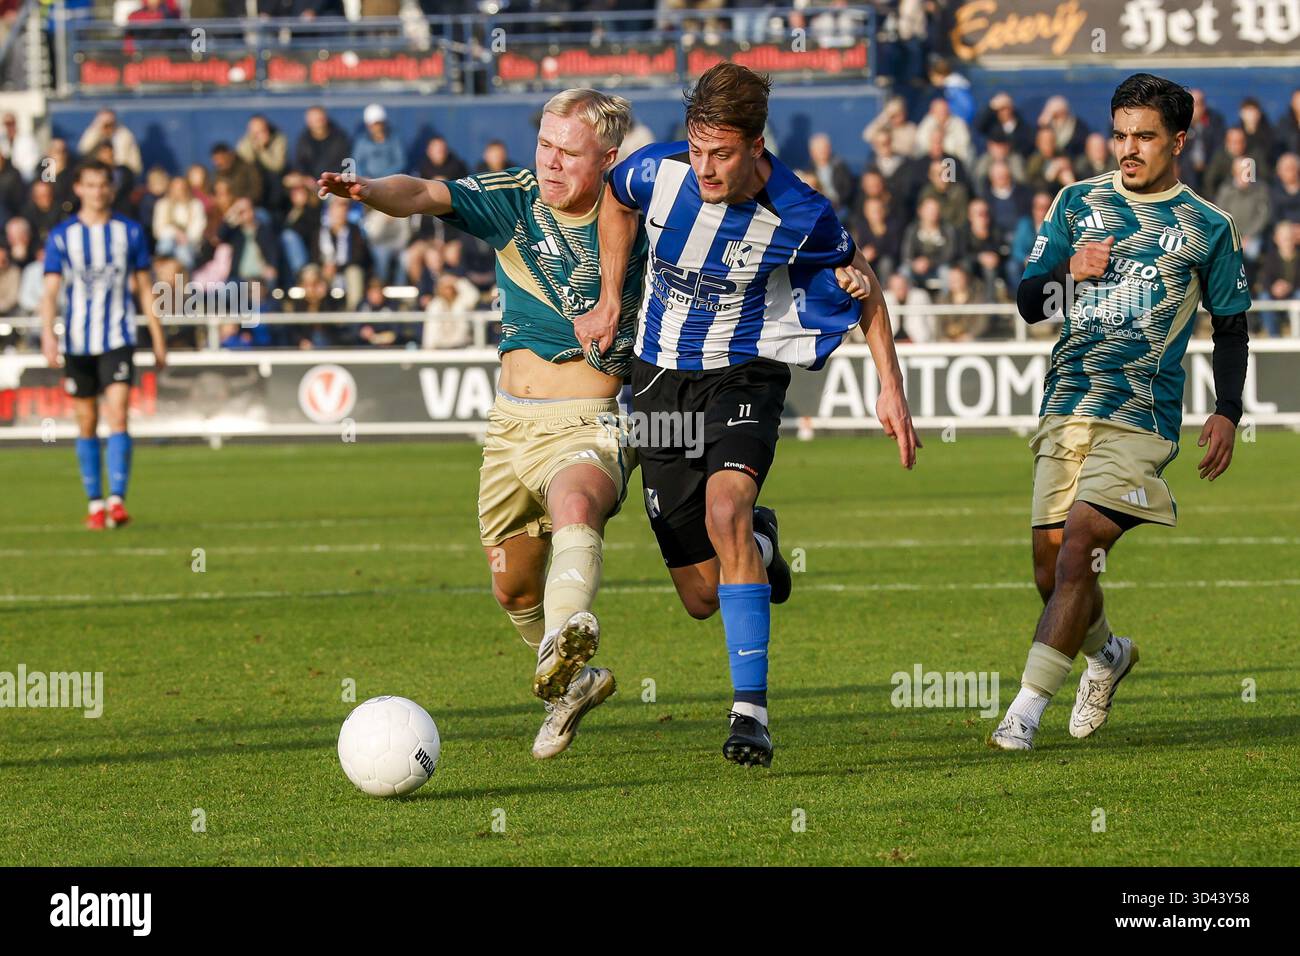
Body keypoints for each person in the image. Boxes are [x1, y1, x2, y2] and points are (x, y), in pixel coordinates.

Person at [577, 63, 920, 767]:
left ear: (756, 147)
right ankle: (762, 550)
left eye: (721, 154)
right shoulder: (656, 172)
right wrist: (613, 296)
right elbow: (614, 199)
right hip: (657, 380)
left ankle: (750, 713)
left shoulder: (803, 213)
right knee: (702, 596)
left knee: (726, 509)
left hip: (745, 373)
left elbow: (866, 289)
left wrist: (891, 388)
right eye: (697, 149)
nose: (703, 167)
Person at [318, 90, 650, 760]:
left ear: (609, 159)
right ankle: (570, 681)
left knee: (577, 502)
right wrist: (370, 190)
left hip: (588, 418)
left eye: (570, 153)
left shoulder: (638, 214)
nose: (551, 163)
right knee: (511, 586)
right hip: (508, 428)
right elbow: (424, 195)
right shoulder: (516, 196)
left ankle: (569, 638)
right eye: (545, 145)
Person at [992, 74, 1251, 751]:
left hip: (1141, 414)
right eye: (1119, 135)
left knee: (1080, 547)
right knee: (1051, 573)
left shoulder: (1209, 227)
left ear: (1178, 142)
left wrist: (1228, 410)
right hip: (1065, 405)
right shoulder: (1075, 203)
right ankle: (1108, 656)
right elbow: (1029, 304)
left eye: (1144, 137)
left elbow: (1231, 327)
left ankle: (1023, 712)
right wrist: (1071, 273)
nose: (1128, 149)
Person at [39, 160, 165, 530]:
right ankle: (95, 503)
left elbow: (145, 288)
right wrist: (48, 333)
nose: (97, 192)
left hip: (118, 336)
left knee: (119, 412)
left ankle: (117, 499)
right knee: (87, 421)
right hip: (78, 340)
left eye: (103, 185)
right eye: (90, 185)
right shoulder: (62, 236)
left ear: (111, 189)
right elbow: (50, 292)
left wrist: (157, 338)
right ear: (78, 189)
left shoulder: (130, 232)